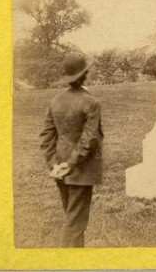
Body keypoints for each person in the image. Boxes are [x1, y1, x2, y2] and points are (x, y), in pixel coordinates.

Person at [39, 52, 103, 248]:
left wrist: (54, 165)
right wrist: (70, 164)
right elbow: (89, 139)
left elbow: (46, 136)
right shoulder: (92, 102)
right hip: (80, 171)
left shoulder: (56, 100)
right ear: (84, 75)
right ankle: (68, 261)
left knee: (72, 219)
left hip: (60, 169)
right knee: (75, 225)